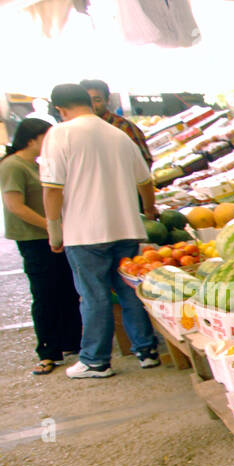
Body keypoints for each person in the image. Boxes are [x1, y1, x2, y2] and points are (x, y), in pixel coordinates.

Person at [41, 83, 159, 378]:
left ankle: (95, 360)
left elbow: (52, 189)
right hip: (125, 227)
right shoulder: (117, 134)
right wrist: (148, 211)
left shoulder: (60, 133)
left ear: (59, 109)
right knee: (129, 291)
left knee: (94, 296)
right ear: (89, 103)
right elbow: (145, 182)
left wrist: (53, 228)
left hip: (84, 232)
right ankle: (146, 351)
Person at [1, 117, 82, 374]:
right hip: (34, 239)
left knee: (67, 288)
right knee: (45, 293)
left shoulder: (37, 164)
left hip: (54, 236)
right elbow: (15, 206)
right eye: (46, 138)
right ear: (32, 138)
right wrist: (50, 225)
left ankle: (71, 341)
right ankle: (47, 351)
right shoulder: (12, 166)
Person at [80, 79, 152, 165]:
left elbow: (144, 162)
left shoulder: (125, 127)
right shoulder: (77, 130)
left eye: (97, 100)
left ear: (107, 101)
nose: (92, 105)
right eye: (87, 101)